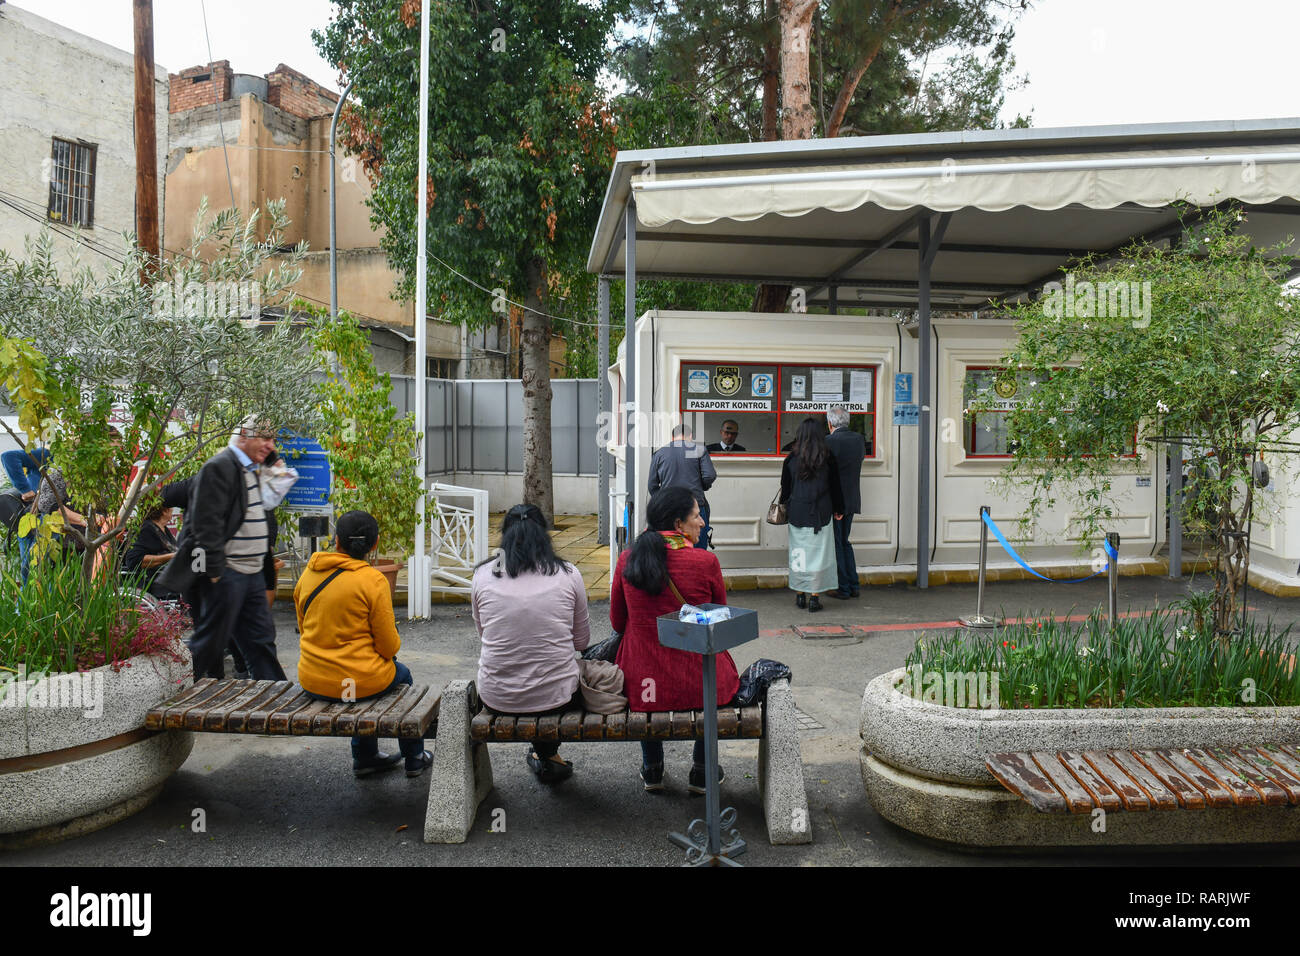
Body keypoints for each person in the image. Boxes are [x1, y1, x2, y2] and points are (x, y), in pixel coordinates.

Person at [611, 486, 739, 793]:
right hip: (701, 684)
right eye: (697, 516)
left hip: (643, 687)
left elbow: (618, 623)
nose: (703, 523)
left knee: (646, 663)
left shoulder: (627, 560)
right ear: (678, 524)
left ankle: (652, 769)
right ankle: (702, 771)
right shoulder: (706, 563)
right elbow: (719, 623)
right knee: (708, 675)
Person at [295, 510, 431, 778]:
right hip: (358, 684)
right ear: (375, 543)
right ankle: (414, 756)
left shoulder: (308, 576)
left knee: (361, 676)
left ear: (336, 542)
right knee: (401, 675)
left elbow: (303, 629)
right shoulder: (373, 581)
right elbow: (389, 647)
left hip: (313, 681)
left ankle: (366, 756)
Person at [157, 417, 287, 681]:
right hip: (226, 572)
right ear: (243, 437)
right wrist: (217, 574)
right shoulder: (220, 466)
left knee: (260, 640)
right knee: (210, 642)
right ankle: (172, 688)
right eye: (264, 438)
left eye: (272, 440)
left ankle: (275, 696)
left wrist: (273, 466)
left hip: (249, 573)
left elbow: (263, 503)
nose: (270, 445)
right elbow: (206, 524)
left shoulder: (250, 469)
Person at [472, 503, 590, 783]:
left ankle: (546, 756)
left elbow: (484, 634)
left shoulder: (482, 575)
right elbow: (582, 641)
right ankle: (547, 755)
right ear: (544, 534)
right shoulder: (568, 574)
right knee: (558, 677)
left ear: (505, 535)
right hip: (559, 700)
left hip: (497, 697)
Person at [779, 417, 844, 613]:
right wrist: (839, 508)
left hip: (798, 512)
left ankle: (800, 593)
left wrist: (784, 505)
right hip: (821, 513)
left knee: (799, 554)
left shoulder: (791, 458)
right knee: (819, 555)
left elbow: (785, 487)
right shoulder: (828, 457)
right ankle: (815, 597)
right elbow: (835, 487)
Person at [647, 424, 716, 550]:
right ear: (690, 436)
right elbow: (710, 475)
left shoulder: (659, 453)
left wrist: (663, 500)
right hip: (696, 505)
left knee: (670, 545)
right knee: (698, 545)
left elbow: (652, 485)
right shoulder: (699, 449)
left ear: (672, 437)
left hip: (668, 507)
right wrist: (701, 487)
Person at [825, 405, 866, 600]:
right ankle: (853, 584)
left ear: (830, 423)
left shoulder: (829, 441)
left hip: (835, 502)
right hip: (852, 499)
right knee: (845, 542)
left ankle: (844, 587)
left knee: (837, 544)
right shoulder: (859, 440)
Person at [122, 503, 179, 600]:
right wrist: (171, 556)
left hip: (167, 580)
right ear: (164, 510)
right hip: (153, 584)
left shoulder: (163, 528)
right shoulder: (146, 528)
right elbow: (134, 560)